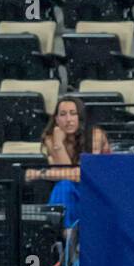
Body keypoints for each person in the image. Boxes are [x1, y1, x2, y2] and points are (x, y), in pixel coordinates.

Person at [23, 94, 110, 227]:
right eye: (63, 114)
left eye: (73, 113)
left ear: (80, 117)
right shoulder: (52, 138)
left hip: (101, 190)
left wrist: (40, 173)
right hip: (73, 190)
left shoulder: (95, 135)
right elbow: (66, 172)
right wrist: (58, 144)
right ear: (56, 120)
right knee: (64, 186)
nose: (68, 119)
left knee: (64, 187)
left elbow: (82, 174)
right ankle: (67, 234)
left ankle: (59, 233)